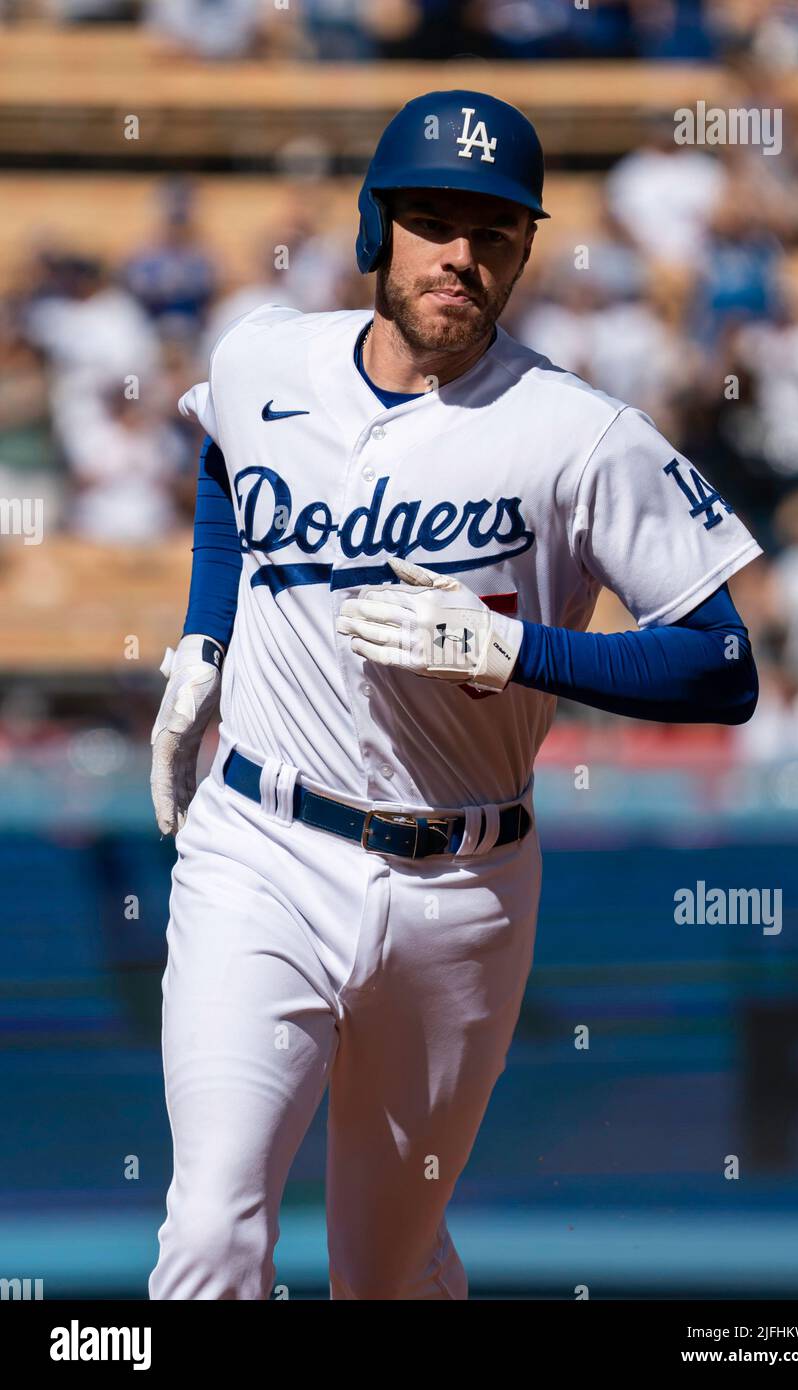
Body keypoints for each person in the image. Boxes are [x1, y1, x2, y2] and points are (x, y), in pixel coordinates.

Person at [148, 90, 761, 1301]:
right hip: (260, 844)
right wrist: (200, 643)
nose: (459, 256)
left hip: (464, 888)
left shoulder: (581, 435)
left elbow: (721, 665)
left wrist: (512, 651)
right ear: (378, 230)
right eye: (430, 221)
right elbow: (229, 460)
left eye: (492, 232)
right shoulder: (265, 354)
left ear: (526, 249)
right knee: (212, 1235)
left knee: (383, 1270)